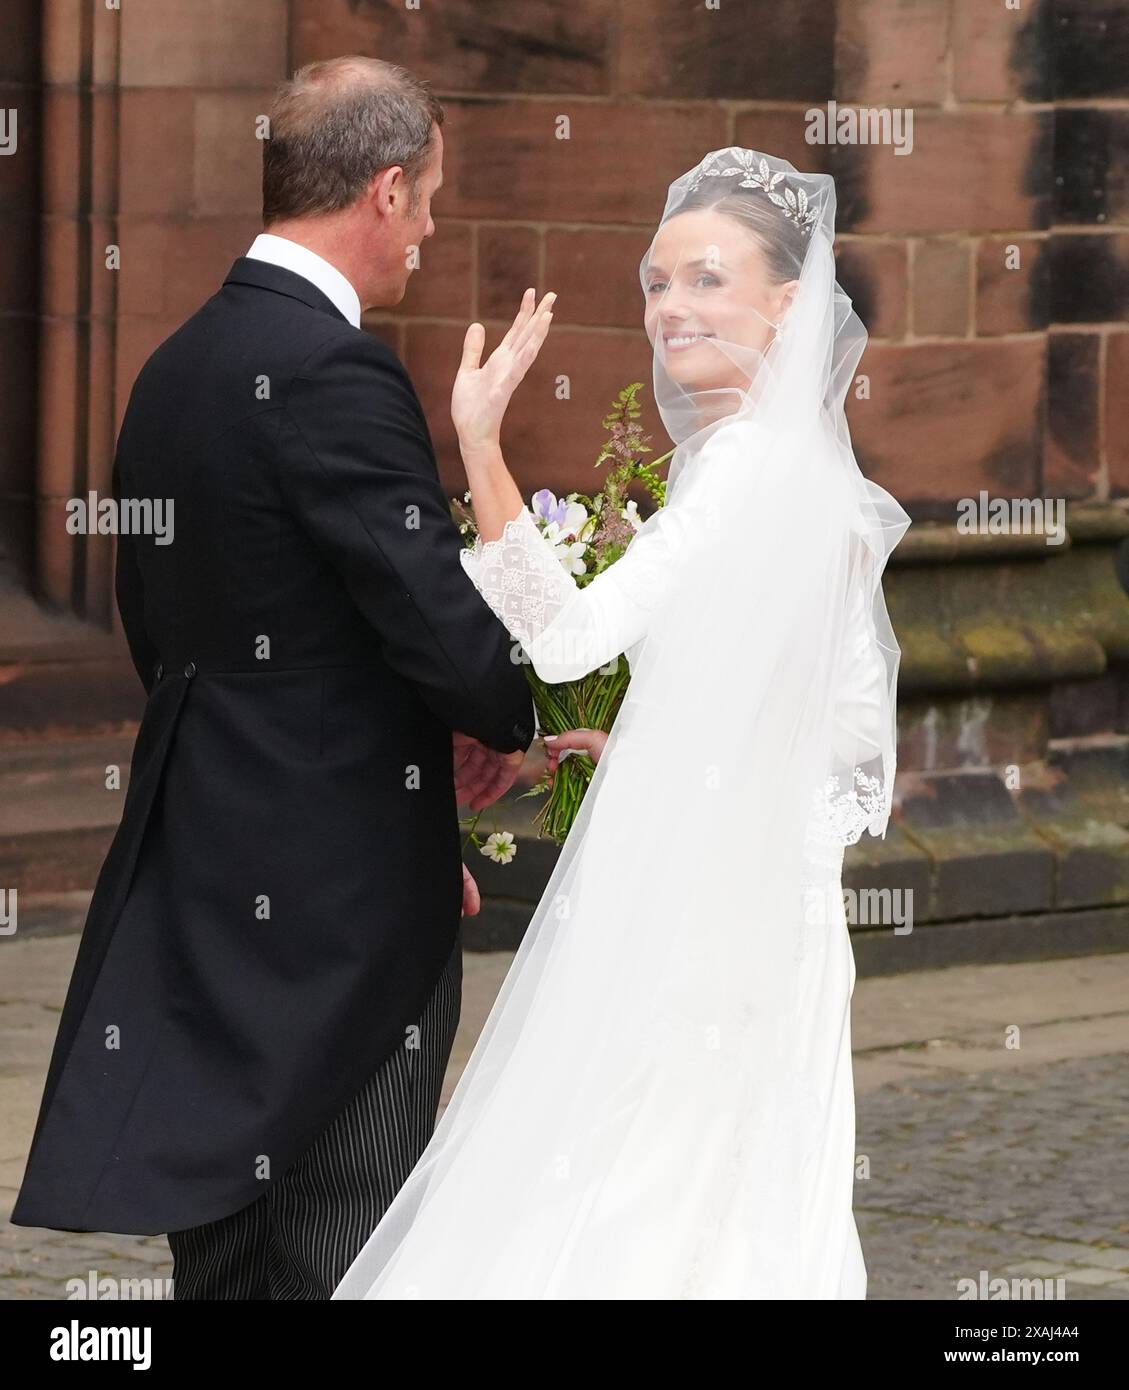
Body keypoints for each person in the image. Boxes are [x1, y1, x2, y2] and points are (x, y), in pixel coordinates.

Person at [333, 147, 910, 1300]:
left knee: (617, 1184)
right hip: (774, 916)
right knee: (732, 1189)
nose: (671, 306)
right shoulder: (822, 482)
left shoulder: (745, 461)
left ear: (787, 305)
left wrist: (483, 444)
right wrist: (662, 745)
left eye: (706, 278)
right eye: (655, 282)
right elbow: (838, 738)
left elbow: (567, 640)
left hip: (684, 912)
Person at [10, 56, 544, 1300]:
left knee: (228, 1245)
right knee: (343, 1236)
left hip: (205, 857)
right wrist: (508, 719)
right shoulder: (333, 370)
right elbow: (440, 632)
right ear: (385, 187)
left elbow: (164, 631)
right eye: (426, 205)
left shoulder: (173, 365)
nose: (427, 235)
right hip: (338, 910)